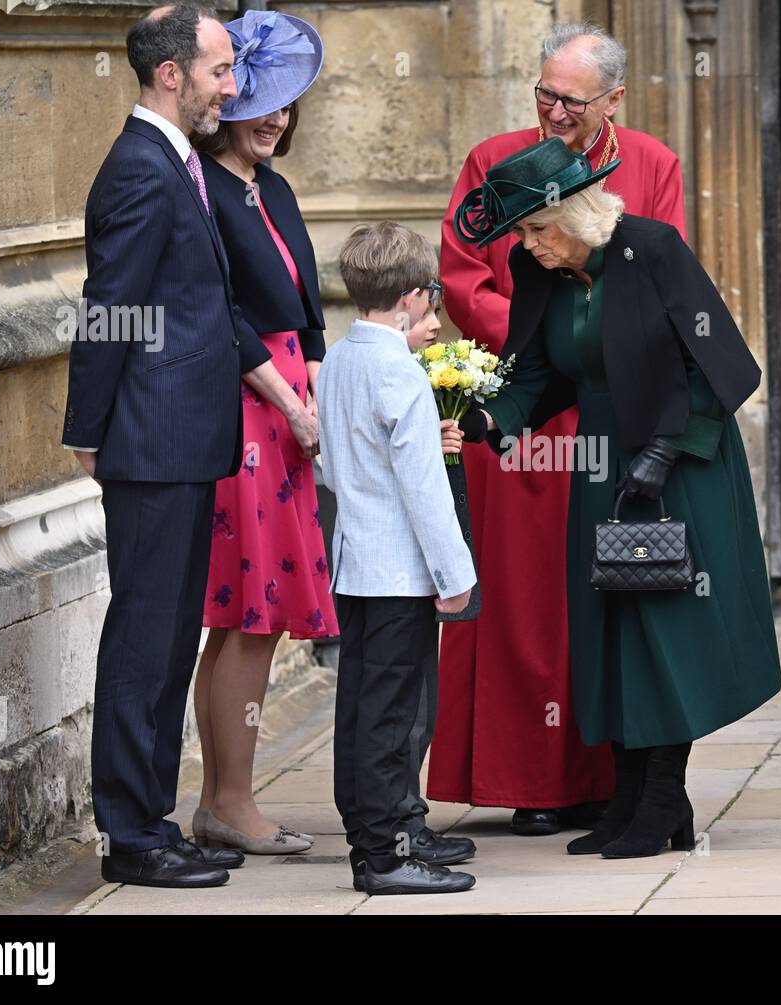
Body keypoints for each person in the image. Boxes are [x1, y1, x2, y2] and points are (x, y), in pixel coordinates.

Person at [453, 139, 781, 858]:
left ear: (577, 214)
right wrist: (485, 419)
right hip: (603, 463)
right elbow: (538, 373)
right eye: (521, 234)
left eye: (537, 230)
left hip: (683, 464)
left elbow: (721, 362)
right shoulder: (536, 270)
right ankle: (633, 796)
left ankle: (661, 797)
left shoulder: (651, 249)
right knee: (612, 631)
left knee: (670, 632)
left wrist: (666, 448)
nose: (527, 246)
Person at [62, 3, 318, 889]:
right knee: (144, 641)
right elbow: (113, 310)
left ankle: (153, 823)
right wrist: (86, 431)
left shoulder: (179, 165)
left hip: (184, 440)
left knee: (170, 640)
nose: (233, 86)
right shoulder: (139, 168)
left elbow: (200, 303)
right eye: (219, 71)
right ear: (171, 74)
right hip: (151, 443)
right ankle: (132, 836)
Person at [431, 21, 688, 839]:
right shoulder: (493, 159)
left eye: (569, 99)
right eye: (542, 94)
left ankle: (621, 782)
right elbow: (465, 275)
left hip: (619, 413)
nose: (551, 111)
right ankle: (531, 776)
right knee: (525, 600)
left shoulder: (654, 165)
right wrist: (551, 343)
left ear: (614, 97)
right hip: (530, 408)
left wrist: (598, 340)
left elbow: (668, 284)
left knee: (613, 597)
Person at [181, 9, 335, 855]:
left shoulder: (272, 187)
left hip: (288, 409)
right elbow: (226, 317)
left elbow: (299, 313)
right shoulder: (200, 185)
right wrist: (291, 403)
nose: (274, 117)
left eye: (286, 104)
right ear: (224, 101)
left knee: (256, 615)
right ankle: (229, 803)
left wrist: (321, 396)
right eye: (258, 103)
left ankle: (223, 800)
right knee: (247, 610)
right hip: (248, 411)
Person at [317, 222, 478, 895]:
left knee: (360, 703)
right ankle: (384, 852)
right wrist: (456, 573)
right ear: (412, 298)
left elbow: (330, 463)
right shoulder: (402, 374)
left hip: (354, 562)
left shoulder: (338, 361)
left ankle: (379, 827)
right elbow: (423, 489)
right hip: (399, 570)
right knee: (389, 711)